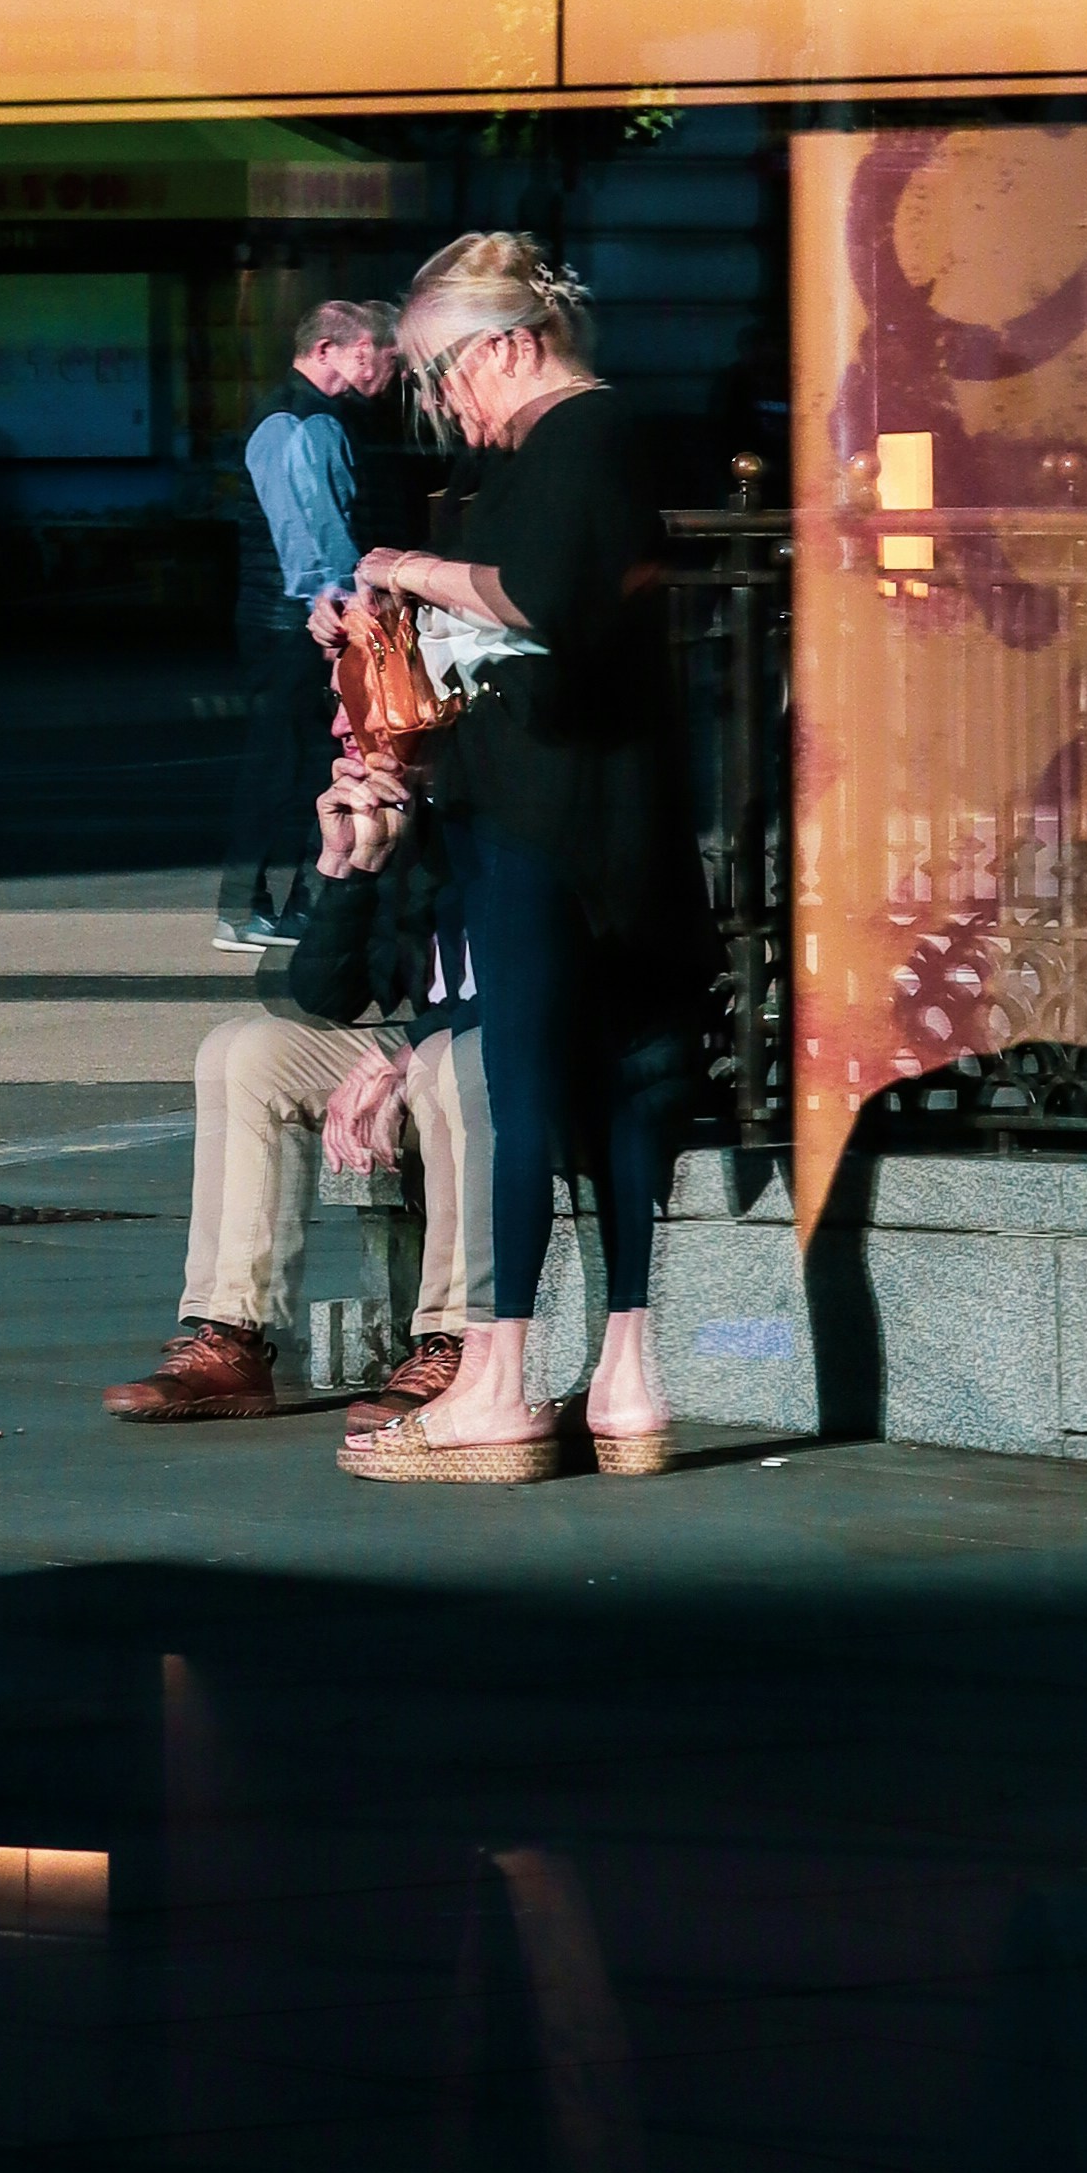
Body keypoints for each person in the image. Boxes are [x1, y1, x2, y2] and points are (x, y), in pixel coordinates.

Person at [332, 229, 711, 1486]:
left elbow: (545, 593)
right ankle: (626, 1381)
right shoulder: (599, 442)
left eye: (445, 376)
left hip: (548, 818)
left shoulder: (573, 438)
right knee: (619, 1087)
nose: (443, 407)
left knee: (528, 1088)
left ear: (506, 346)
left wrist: (405, 569)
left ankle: (497, 1381)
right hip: (605, 806)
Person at [110, 764, 483, 1423]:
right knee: (246, 1051)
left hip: (519, 1043)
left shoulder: (498, 778)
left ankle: (451, 1338)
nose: (344, 734)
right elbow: (321, 996)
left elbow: (547, 969)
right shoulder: (405, 809)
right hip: (431, 1041)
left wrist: (406, 1050)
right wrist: (350, 865)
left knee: (445, 1063)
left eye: (355, 696)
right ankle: (235, 1334)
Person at [219, 295, 409, 947]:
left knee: (290, 758)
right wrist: (335, 610)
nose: (396, 374)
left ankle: (259, 905)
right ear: (345, 350)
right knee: (290, 762)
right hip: (297, 622)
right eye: (390, 358)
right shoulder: (301, 421)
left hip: (284, 616)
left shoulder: (302, 416)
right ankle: (252, 908)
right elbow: (310, 534)